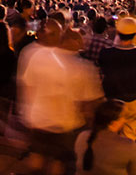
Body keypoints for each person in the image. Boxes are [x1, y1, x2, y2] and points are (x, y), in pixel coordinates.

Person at [19, 16, 103, 174]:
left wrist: (27, 112)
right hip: (65, 124)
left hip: (37, 119)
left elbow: (27, 87)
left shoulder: (37, 55)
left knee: (36, 158)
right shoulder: (84, 68)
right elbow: (88, 105)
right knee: (59, 162)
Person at [98, 16, 136, 140]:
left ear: (118, 32)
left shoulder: (106, 53)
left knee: (109, 133)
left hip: (112, 98)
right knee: (130, 135)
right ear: (134, 34)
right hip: (135, 99)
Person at [74, 99, 136, 175]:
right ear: (114, 123)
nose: (125, 121)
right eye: (124, 117)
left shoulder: (82, 136)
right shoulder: (128, 145)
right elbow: (134, 172)